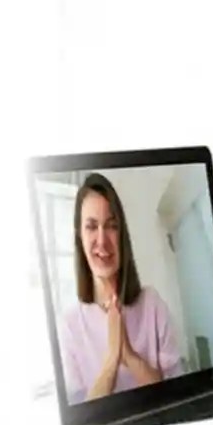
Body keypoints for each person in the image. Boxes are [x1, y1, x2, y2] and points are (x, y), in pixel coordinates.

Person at [57, 173, 182, 404]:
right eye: (91, 227)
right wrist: (112, 359)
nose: (102, 240)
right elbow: (81, 418)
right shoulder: (69, 324)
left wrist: (129, 356)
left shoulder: (152, 304)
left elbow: (176, 395)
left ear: (122, 234)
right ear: (79, 236)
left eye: (111, 226)